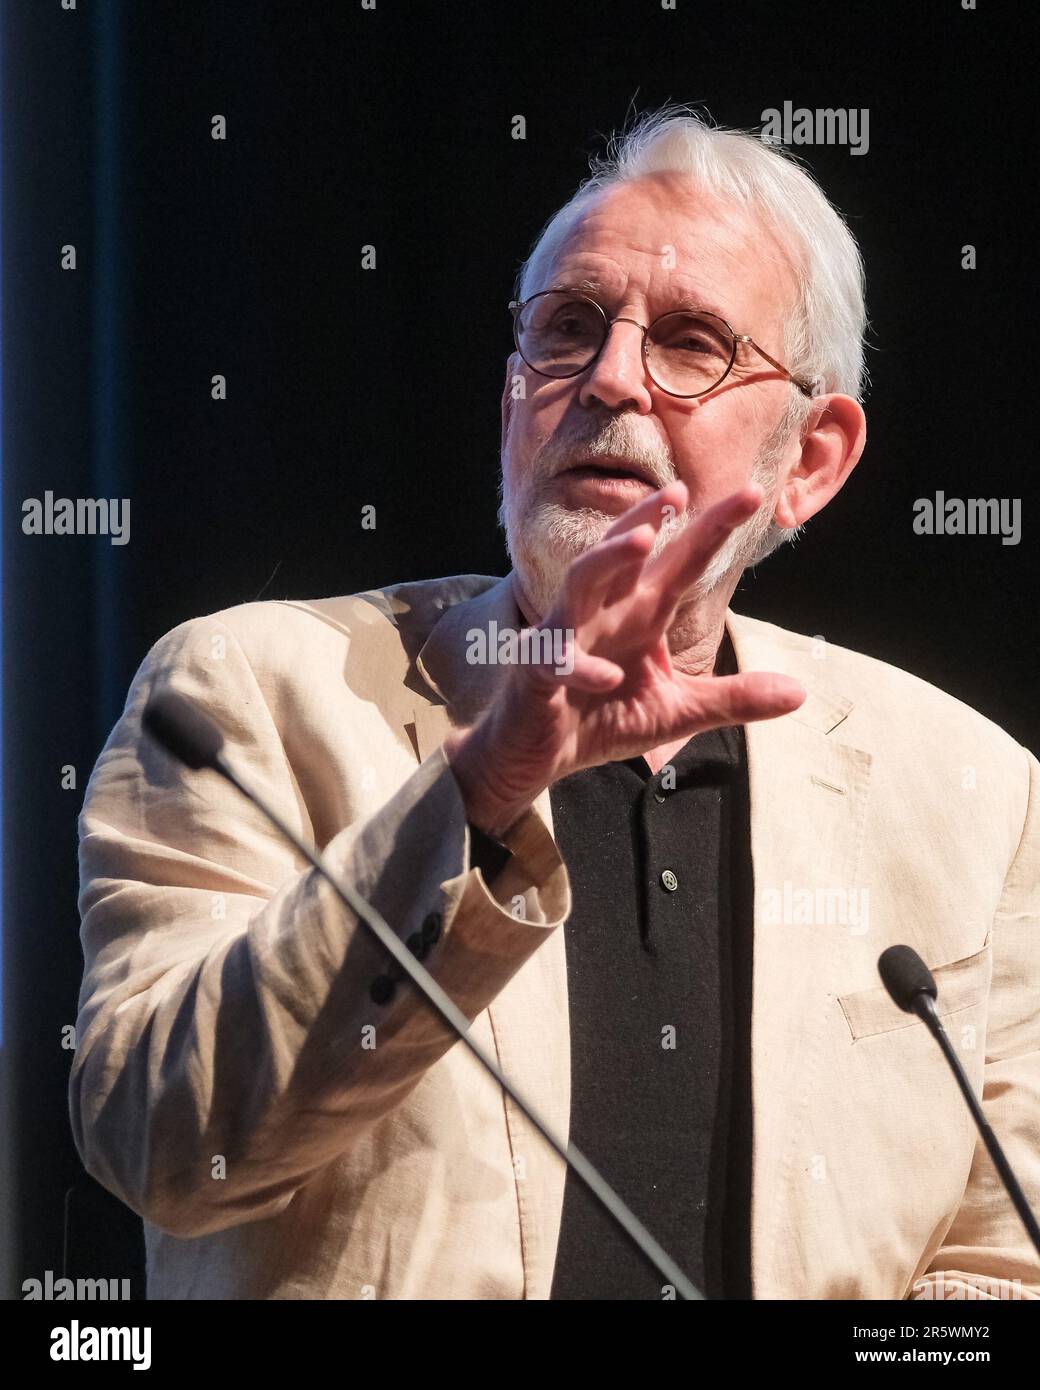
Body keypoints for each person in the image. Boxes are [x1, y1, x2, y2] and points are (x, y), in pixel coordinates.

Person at [70, 107, 1040, 1300]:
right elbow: (161, 1145)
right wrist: (477, 795)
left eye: (691, 343)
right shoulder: (247, 697)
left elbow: (995, 1266)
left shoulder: (966, 788)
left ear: (812, 459)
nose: (611, 379)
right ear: (508, 401)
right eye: (568, 329)